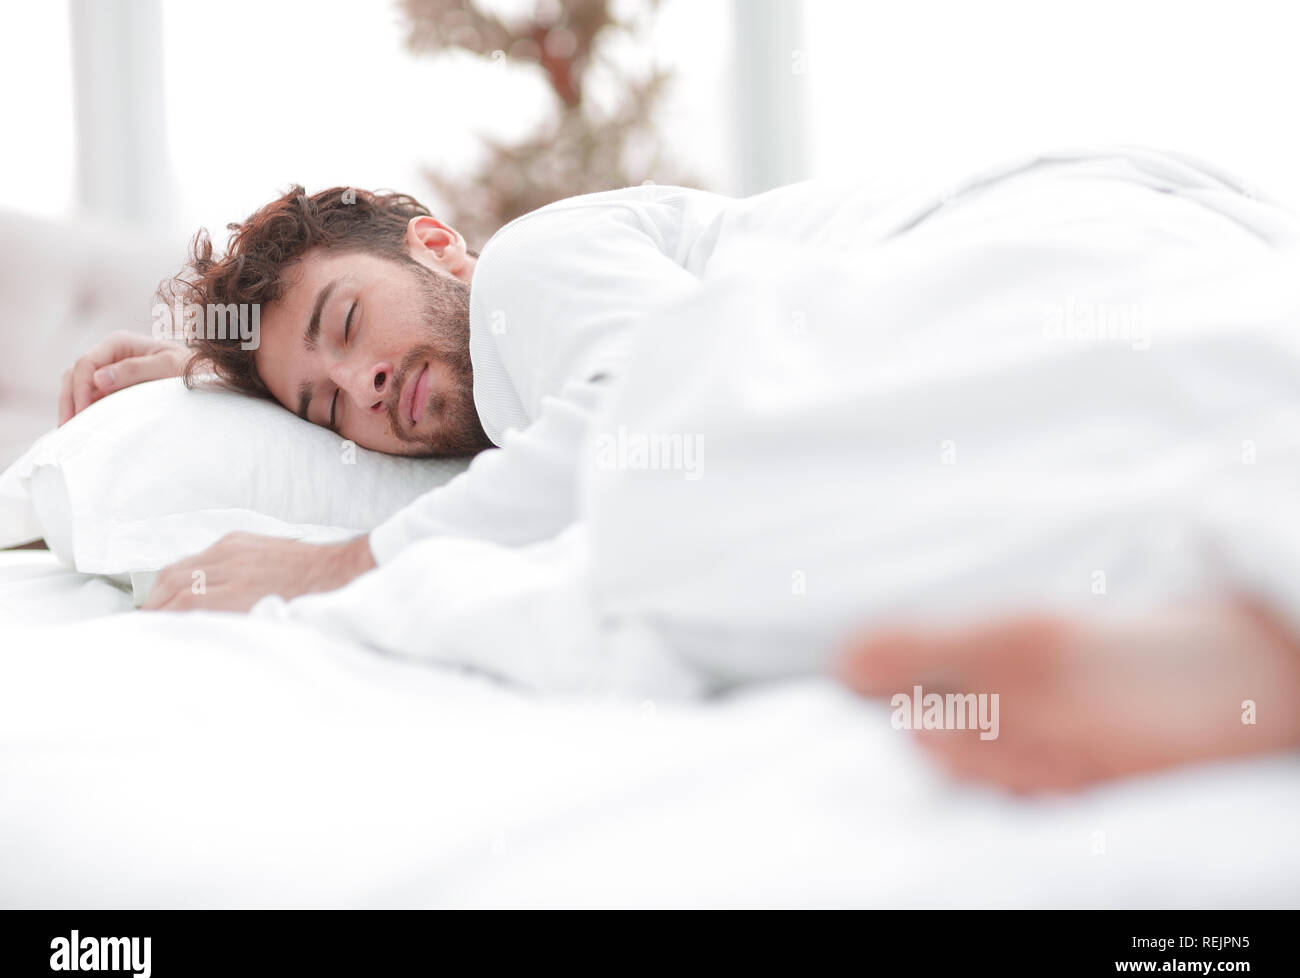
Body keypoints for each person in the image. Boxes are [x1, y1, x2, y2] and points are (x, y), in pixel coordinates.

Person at [59, 147, 1300, 793]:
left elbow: (634, 413)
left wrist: (339, 562)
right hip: (1075, 281)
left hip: (1042, 249)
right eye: (327, 408)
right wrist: (204, 364)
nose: (363, 387)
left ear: (441, 246)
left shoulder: (534, 268)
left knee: (664, 512)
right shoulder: (505, 382)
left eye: (346, 326)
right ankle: (1201, 623)